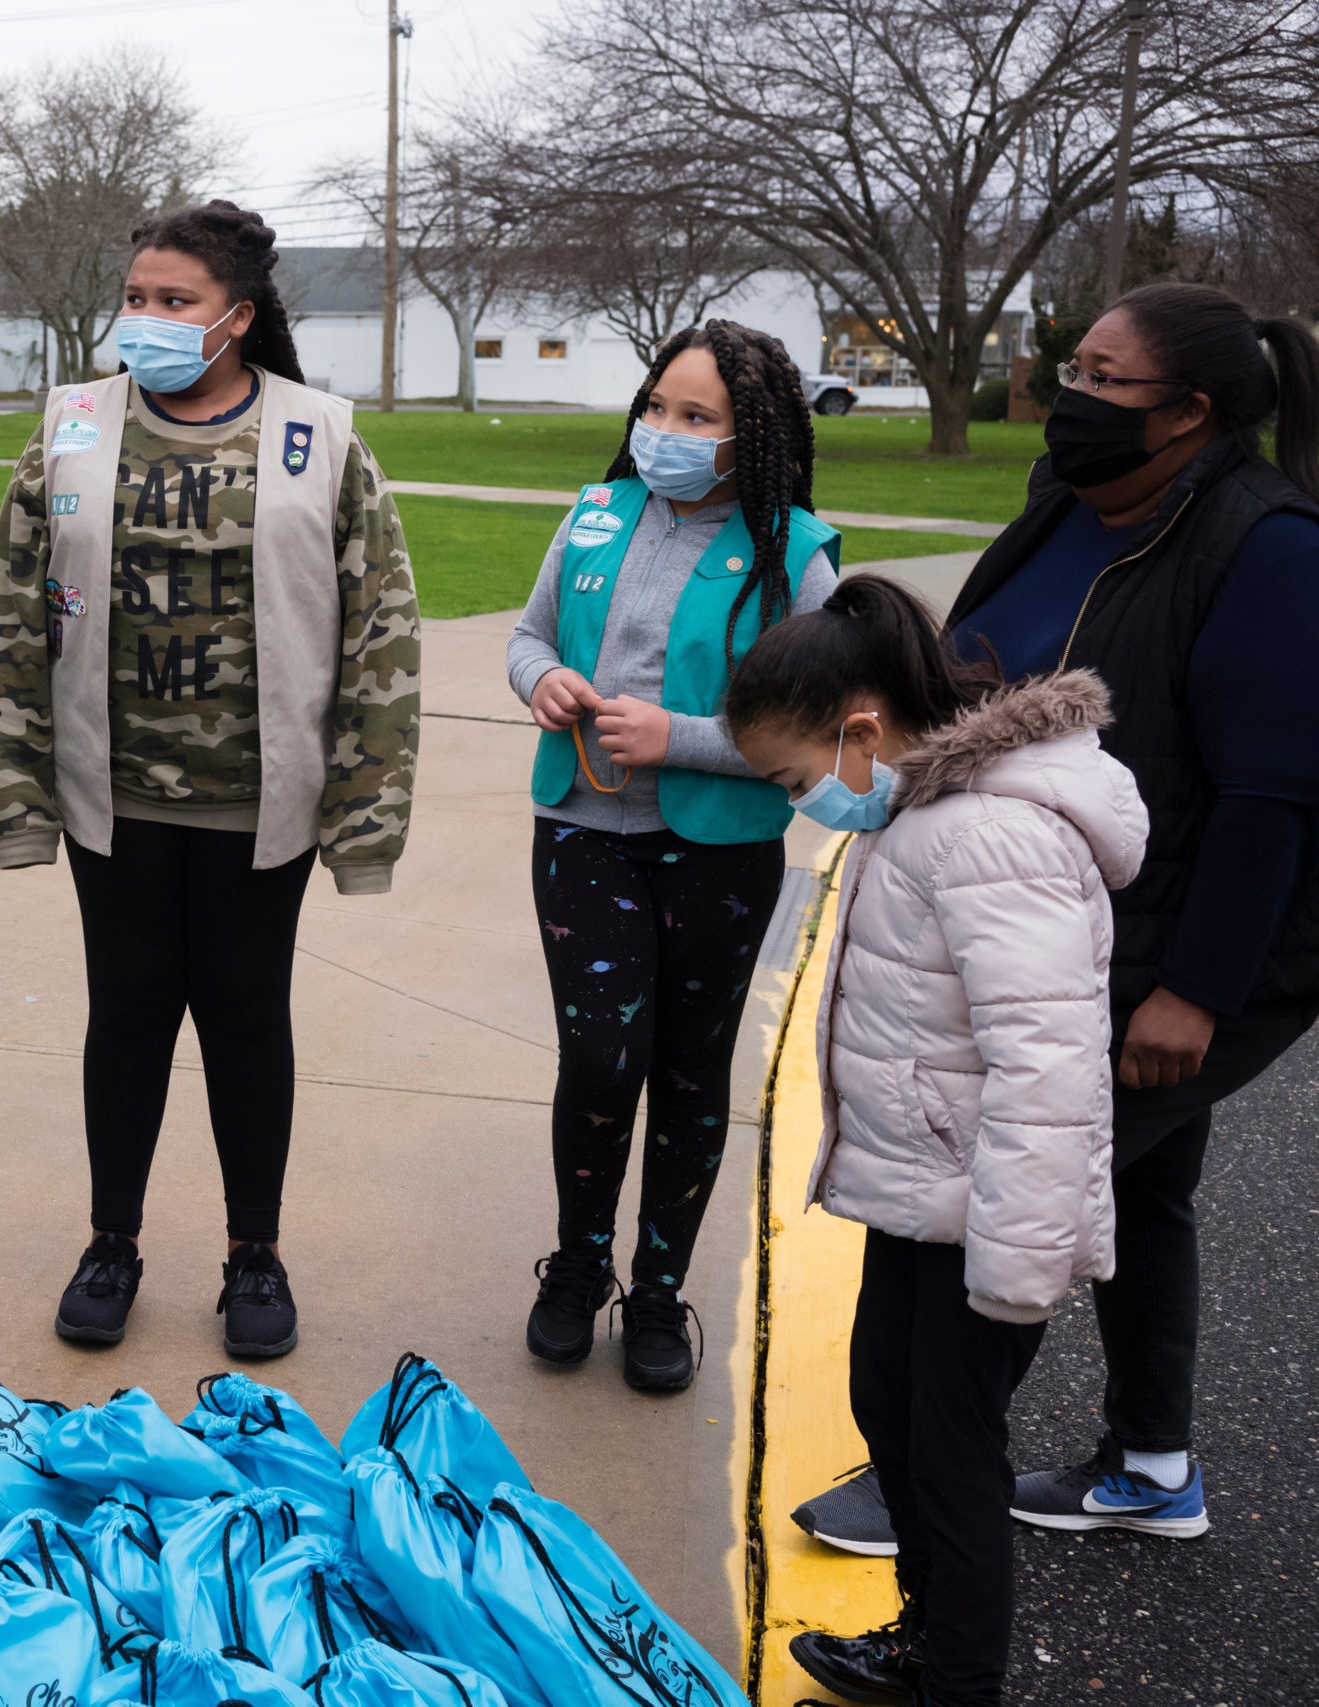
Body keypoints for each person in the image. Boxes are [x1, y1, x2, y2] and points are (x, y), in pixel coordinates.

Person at [789, 284, 1319, 1567]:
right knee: (1144, 1184)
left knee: (1000, 1188)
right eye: (1070, 363)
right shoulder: (1065, 504)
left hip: (1196, 938)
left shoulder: (1268, 547)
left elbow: (1270, 797)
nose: (1067, 390)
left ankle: (931, 1469)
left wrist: (1191, 990)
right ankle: (1150, 1465)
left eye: (1100, 374)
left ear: (1190, 411)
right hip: (1048, 912)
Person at [0, 200, 420, 1358]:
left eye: (175, 301)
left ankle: (252, 1256)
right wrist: (15, 797)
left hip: (255, 808)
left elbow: (378, 630)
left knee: (243, 1021)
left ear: (237, 317)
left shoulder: (318, 437)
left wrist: (363, 815)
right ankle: (110, 1243)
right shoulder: (71, 427)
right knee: (124, 1020)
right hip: (109, 804)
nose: (147, 320)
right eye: (136, 298)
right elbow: (10, 614)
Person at [729, 575, 1145, 1707]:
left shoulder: (989, 838)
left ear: (859, 729)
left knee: (952, 1461)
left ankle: (959, 1678)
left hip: (987, 1223)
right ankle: (926, 1638)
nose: (800, 803)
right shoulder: (920, 809)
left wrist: (1015, 1270)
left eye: (794, 777)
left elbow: (1047, 1070)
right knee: (890, 1414)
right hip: (925, 1196)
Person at [507, 322, 842, 1391]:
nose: (664, 433)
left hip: (717, 851)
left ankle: (657, 1292)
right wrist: (540, 682)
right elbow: (527, 638)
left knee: (691, 1069)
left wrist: (678, 738)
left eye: (696, 418)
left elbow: (819, 734)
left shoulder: (797, 554)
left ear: (757, 436)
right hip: (581, 836)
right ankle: (575, 1266)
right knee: (601, 1060)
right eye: (656, 407)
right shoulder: (596, 512)